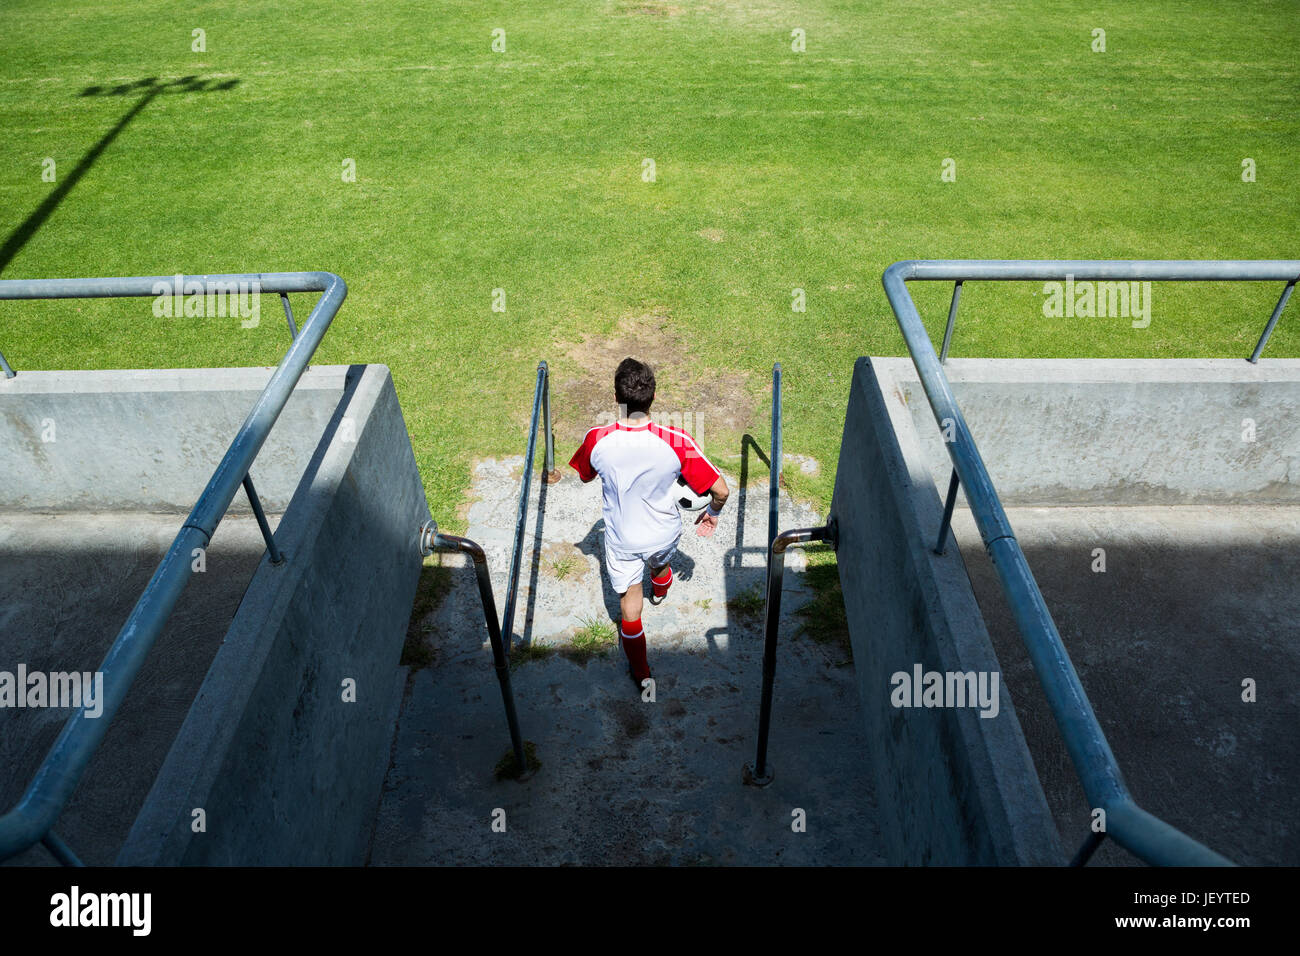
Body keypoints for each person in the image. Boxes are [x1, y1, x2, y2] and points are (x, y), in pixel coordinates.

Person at [569, 357, 729, 687]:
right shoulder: (678, 441)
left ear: (616, 398)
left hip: (622, 540)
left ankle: (641, 673)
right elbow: (721, 491)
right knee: (659, 564)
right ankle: (661, 588)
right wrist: (711, 515)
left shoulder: (596, 439)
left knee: (630, 609)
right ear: (653, 397)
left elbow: (585, 476)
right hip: (663, 534)